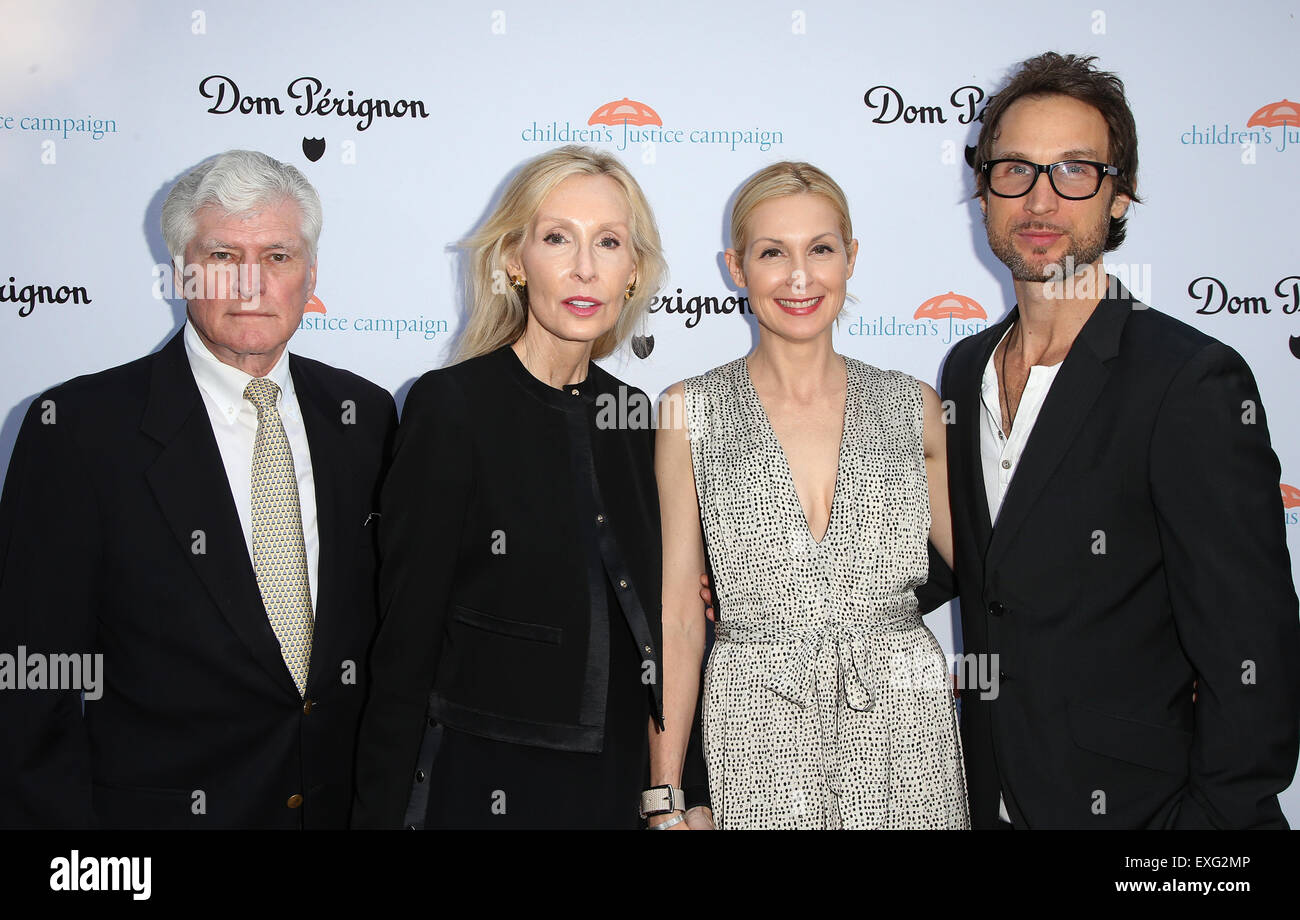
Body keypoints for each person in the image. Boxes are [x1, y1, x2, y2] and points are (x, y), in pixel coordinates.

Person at [943, 52, 1300, 828]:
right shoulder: (965, 367)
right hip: (987, 798)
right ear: (983, 190)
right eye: (1015, 169)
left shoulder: (1189, 379)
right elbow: (977, 568)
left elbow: (1255, 654)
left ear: (1119, 194)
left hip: (1145, 818)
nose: (1040, 198)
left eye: (1074, 170)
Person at [0, 150, 397, 828]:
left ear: (311, 275)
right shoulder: (78, 431)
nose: (252, 284)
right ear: (179, 272)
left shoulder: (365, 416)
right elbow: (36, 686)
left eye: (277, 256)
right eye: (222, 256)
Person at [352, 145, 709, 829]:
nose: (584, 267)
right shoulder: (450, 406)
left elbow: (670, 628)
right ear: (515, 260)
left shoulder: (638, 418)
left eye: (608, 242)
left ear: (633, 271)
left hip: (615, 790)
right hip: (484, 784)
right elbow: (403, 646)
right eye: (557, 239)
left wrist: (681, 790)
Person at [655, 162, 969, 829]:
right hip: (755, 724)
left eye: (820, 249)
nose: (800, 277)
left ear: (850, 259)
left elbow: (995, 575)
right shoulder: (689, 412)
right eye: (773, 253)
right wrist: (666, 795)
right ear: (736, 268)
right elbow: (679, 619)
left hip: (907, 727)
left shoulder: (913, 407)